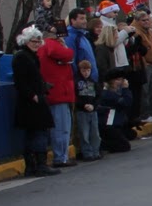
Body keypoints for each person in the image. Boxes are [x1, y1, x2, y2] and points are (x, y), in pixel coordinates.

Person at [10, 27, 60, 176]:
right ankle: (38, 165)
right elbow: (20, 81)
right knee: (38, 133)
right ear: (25, 41)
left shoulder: (31, 56)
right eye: (33, 41)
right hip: (31, 101)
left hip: (35, 98)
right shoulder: (21, 57)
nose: (37, 44)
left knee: (36, 132)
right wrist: (33, 95)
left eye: (38, 41)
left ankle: (34, 165)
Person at [38, 21, 77, 167]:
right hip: (59, 92)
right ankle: (60, 157)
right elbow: (67, 54)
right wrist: (65, 47)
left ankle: (62, 155)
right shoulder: (50, 45)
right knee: (61, 127)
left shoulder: (44, 46)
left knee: (60, 127)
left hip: (57, 92)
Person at [73, 59, 101, 161]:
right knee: (84, 133)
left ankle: (95, 151)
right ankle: (87, 153)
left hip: (93, 110)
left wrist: (94, 105)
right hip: (82, 111)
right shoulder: (76, 82)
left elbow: (98, 96)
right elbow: (76, 97)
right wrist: (83, 105)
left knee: (95, 133)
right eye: (84, 70)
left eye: (88, 70)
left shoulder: (93, 82)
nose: (86, 73)